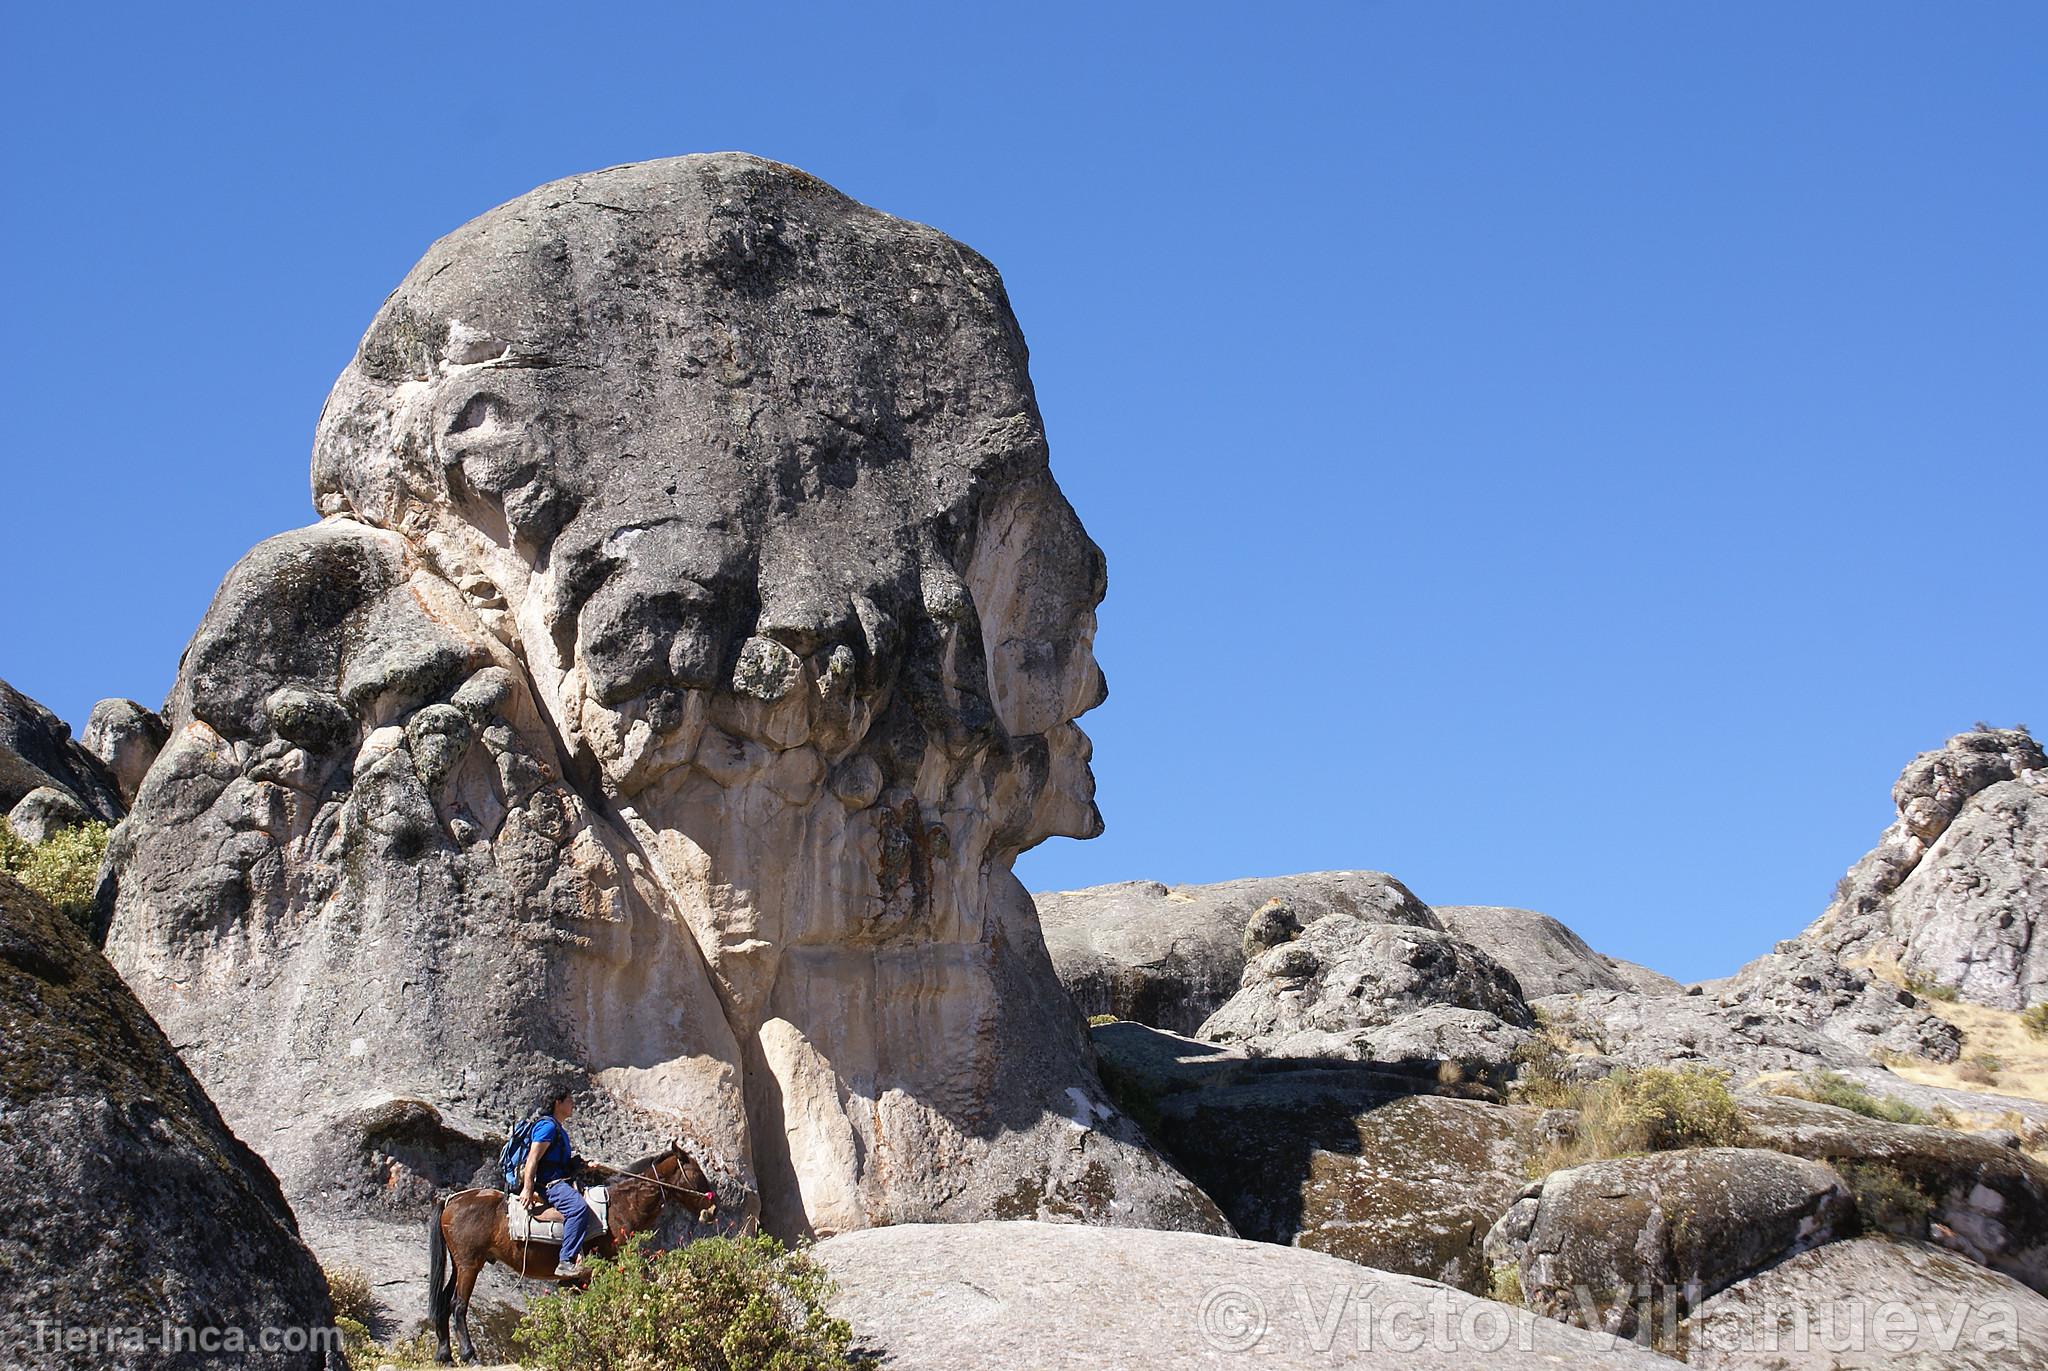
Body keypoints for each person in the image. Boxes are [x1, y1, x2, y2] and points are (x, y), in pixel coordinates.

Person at [517, 1088, 592, 1278]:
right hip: (550, 1184)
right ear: (558, 1102)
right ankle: (565, 1260)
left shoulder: (559, 1129)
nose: (572, 1104)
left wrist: (585, 1166)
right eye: (569, 1100)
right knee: (578, 1208)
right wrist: (528, 1188)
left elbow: (560, 1162)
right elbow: (533, 1158)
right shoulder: (548, 1127)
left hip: (559, 1180)